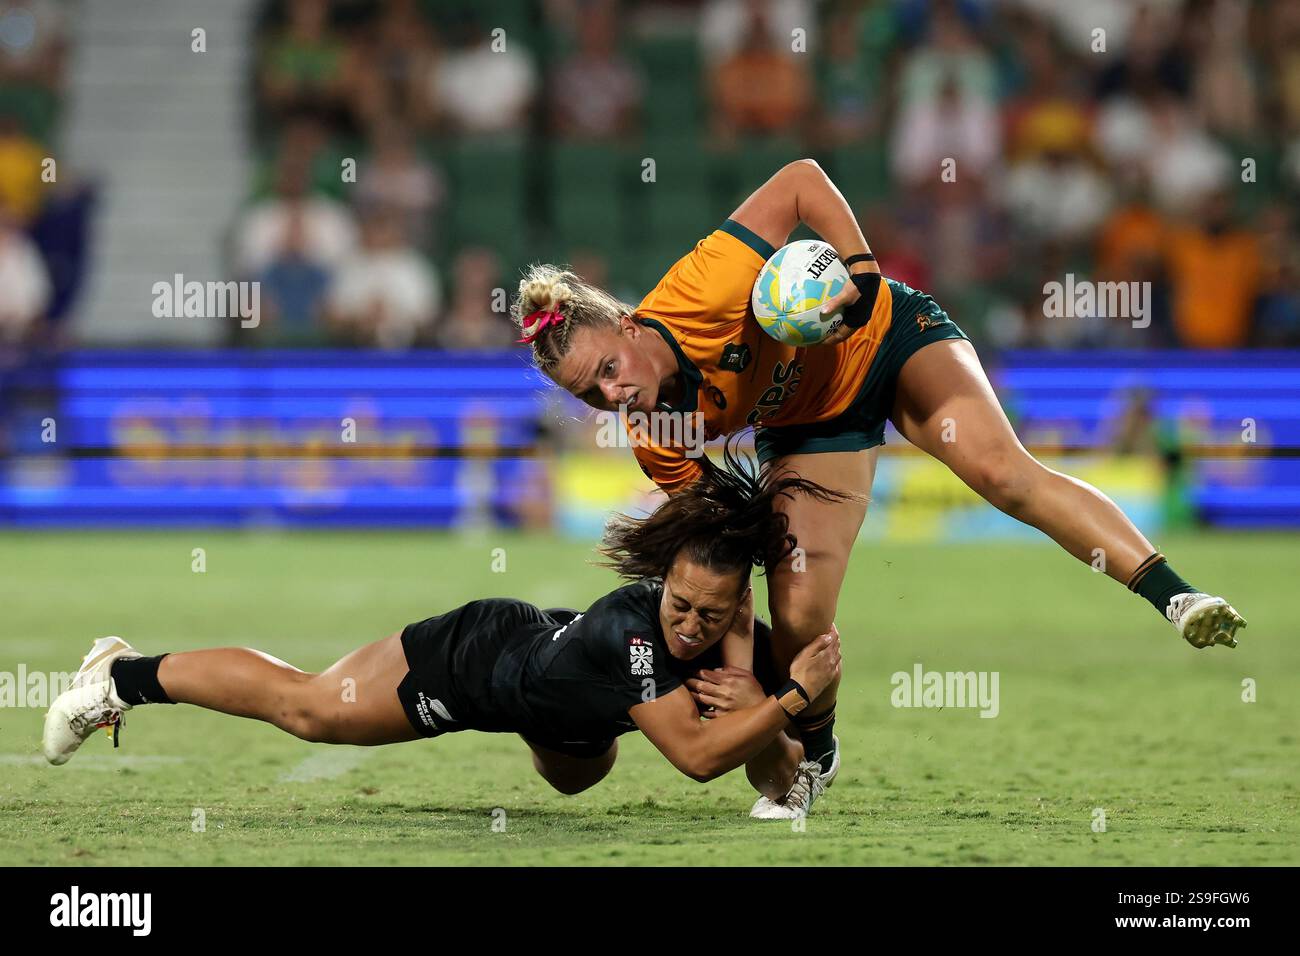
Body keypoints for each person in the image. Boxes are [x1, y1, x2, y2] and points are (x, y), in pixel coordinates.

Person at [511, 158, 1248, 818]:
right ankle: (820, 757)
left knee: (1001, 473)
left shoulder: (705, 284)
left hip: (888, 337)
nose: (615, 396)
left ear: (624, 323)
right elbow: (722, 552)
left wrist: (860, 275)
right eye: (593, 397)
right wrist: (741, 679)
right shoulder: (655, 438)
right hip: (811, 427)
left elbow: (801, 178)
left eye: (609, 371)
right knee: (796, 608)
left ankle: (1178, 597)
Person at [43, 447, 844, 811]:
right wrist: (790, 700)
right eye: (679, 604)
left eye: (712, 612)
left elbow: (776, 781)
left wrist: (757, 707)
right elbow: (703, 762)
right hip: (471, 662)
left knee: (576, 779)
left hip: (560, 703)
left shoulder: (730, 618)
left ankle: (558, 708)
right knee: (310, 708)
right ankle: (120, 675)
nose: (692, 625)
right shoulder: (635, 634)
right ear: (660, 579)